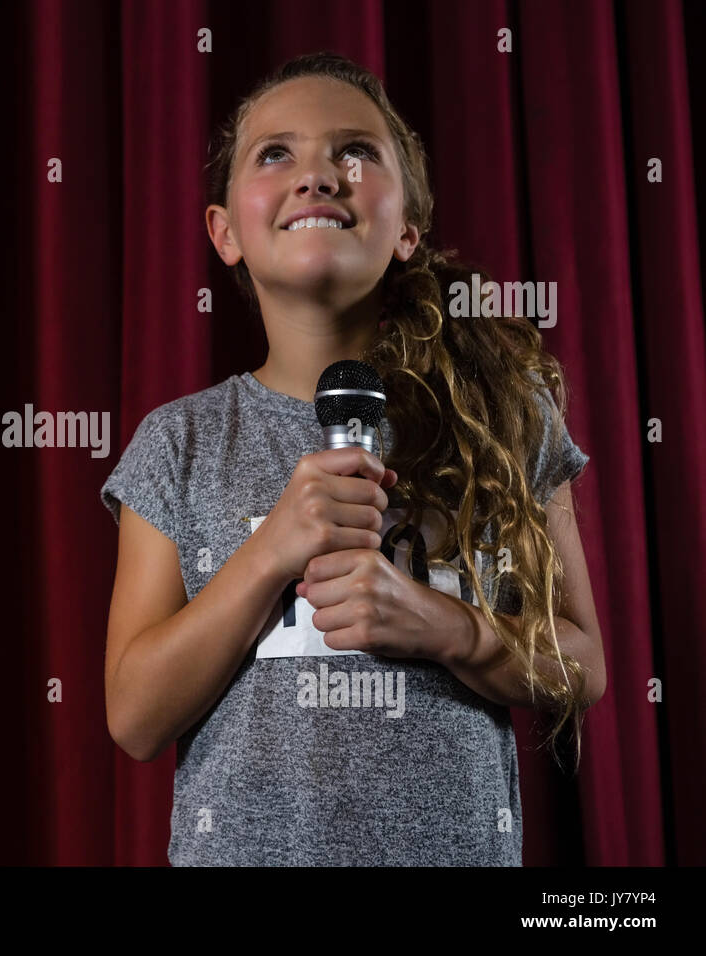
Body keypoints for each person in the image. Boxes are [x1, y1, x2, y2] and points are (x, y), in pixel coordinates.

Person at [99, 52, 606, 866]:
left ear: (407, 226)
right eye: (275, 155)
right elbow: (134, 715)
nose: (318, 177)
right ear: (224, 232)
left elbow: (580, 664)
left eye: (356, 152)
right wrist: (270, 552)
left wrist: (450, 628)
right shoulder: (178, 442)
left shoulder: (503, 419)